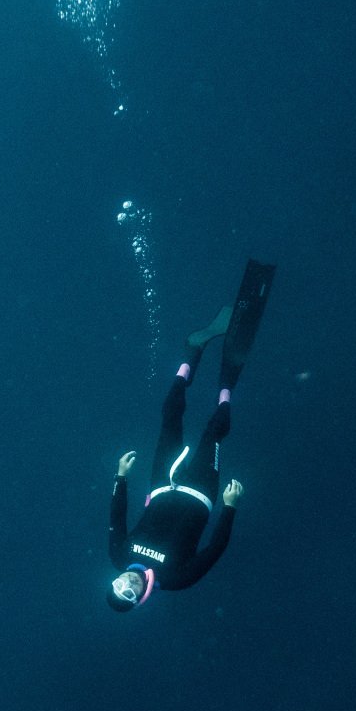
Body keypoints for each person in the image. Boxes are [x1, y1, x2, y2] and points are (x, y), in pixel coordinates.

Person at [106, 260, 274, 612]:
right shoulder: (177, 579)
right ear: (140, 599)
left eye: (118, 585)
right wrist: (230, 508)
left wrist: (121, 477)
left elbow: (117, 517)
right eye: (129, 594)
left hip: (162, 481)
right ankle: (228, 380)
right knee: (216, 427)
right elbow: (214, 550)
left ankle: (193, 350)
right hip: (200, 490)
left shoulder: (118, 555)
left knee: (170, 413)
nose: (127, 584)